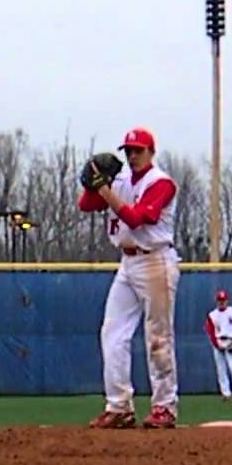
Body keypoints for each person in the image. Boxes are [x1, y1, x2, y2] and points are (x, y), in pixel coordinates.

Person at [77, 127, 181, 429]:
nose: (133, 156)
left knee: (158, 337)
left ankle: (164, 406)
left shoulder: (161, 183)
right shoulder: (120, 180)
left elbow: (137, 219)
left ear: (151, 152)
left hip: (155, 261)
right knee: (112, 334)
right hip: (127, 263)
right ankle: (119, 405)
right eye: (129, 151)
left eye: (138, 150)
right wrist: (93, 184)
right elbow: (86, 205)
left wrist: (105, 190)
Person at [206, 289, 232, 401]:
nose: (222, 303)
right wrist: (216, 345)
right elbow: (211, 331)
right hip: (219, 340)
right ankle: (225, 393)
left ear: (227, 301)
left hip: (231, 340)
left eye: (223, 300)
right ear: (217, 301)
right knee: (221, 370)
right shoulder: (212, 315)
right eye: (220, 300)